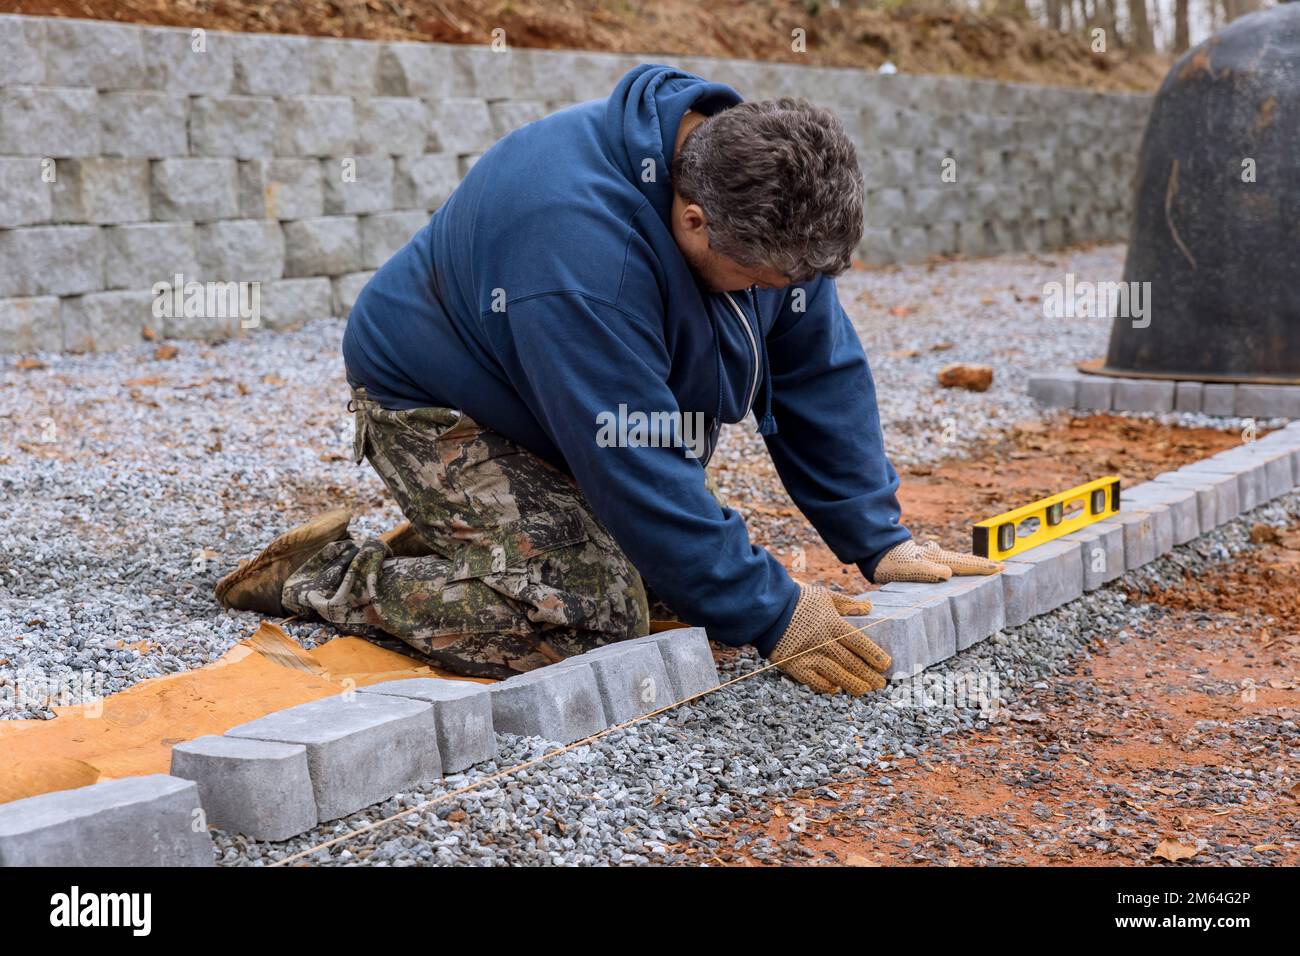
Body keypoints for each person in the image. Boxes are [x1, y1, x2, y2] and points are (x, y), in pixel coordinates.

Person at [215, 64, 1000, 693]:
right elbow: (632, 456)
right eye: (760, 281)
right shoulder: (580, 250)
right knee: (589, 617)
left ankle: (489, 533)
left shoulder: (758, 190)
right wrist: (773, 614)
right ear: (694, 221)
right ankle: (328, 576)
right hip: (442, 401)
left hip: (563, 401)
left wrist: (877, 537)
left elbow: (815, 368)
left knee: (675, 581)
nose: (774, 294)